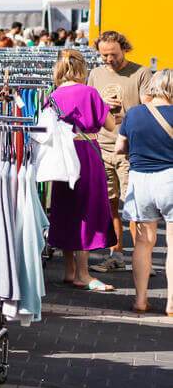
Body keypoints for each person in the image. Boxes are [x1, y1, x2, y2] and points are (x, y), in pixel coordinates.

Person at [47, 49, 115, 291]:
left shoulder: (53, 95)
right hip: (85, 153)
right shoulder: (89, 92)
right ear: (81, 67)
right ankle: (83, 274)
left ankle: (70, 270)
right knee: (86, 210)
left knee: (67, 209)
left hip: (61, 156)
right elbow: (110, 125)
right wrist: (106, 107)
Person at [90, 31, 151, 273]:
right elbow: (90, 107)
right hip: (102, 146)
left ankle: (142, 259)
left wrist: (126, 113)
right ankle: (116, 254)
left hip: (129, 149)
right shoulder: (95, 74)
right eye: (104, 55)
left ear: (124, 48)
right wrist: (102, 107)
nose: (108, 59)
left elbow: (149, 109)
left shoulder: (141, 73)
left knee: (135, 205)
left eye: (113, 54)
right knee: (110, 203)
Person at [116, 69, 173, 315]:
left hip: (140, 180)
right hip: (170, 178)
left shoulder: (134, 113)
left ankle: (140, 300)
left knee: (143, 241)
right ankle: (171, 303)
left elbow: (119, 147)